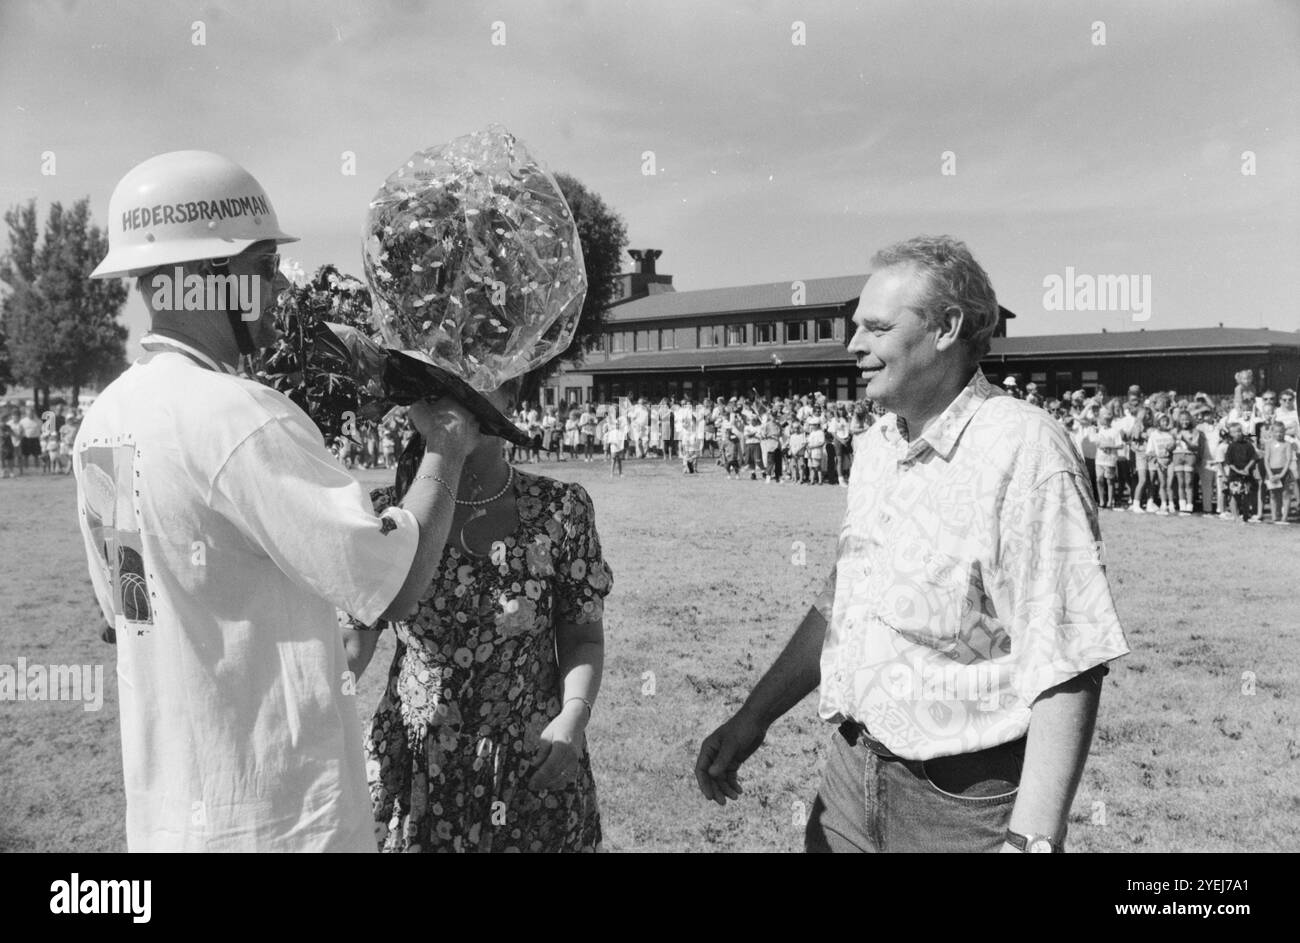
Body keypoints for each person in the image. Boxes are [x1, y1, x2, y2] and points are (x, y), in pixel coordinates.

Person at [76, 150, 482, 852]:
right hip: (281, 822)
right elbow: (391, 584)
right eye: (262, 267)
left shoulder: (103, 424)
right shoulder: (241, 417)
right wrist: (445, 448)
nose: (277, 288)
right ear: (205, 279)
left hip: (171, 822)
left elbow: (129, 610)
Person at [695, 235, 1128, 853]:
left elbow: (1069, 658)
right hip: (848, 779)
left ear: (947, 328)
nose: (853, 345)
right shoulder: (876, 446)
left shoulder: (1025, 450)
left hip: (962, 808)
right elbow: (847, 596)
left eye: (876, 327)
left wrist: (1032, 841)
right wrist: (753, 717)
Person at [343, 379, 611, 852]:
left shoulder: (560, 510)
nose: (457, 402)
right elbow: (350, 647)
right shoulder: (387, 515)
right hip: (414, 762)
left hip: (530, 764)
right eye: (437, 388)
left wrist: (574, 716)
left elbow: (582, 636)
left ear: (514, 398)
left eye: (479, 385)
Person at [1222, 422, 1257, 522]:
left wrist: (1246, 468)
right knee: (1234, 495)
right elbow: (1229, 462)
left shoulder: (1248, 445)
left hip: (1247, 475)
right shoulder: (1231, 446)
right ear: (1231, 434)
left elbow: (1254, 457)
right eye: (1234, 432)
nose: (1237, 434)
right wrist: (1238, 471)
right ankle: (1235, 516)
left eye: (1238, 431)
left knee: (1246, 496)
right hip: (1234, 475)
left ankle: (1245, 516)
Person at [1146, 413, 1176, 515]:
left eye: (1166, 421)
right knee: (1162, 483)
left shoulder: (1170, 434)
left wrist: (1172, 446)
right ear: (1158, 422)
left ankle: (1171, 503)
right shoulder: (1153, 435)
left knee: (1170, 483)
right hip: (1159, 460)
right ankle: (1164, 503)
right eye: (1163, 421)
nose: (1165, 423)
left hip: (1170, 460)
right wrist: (1157, 460)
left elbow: (1174, 447)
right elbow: (1149, 451)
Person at [1171, 409, 1200, 515]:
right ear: (1179, 420)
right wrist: (1172, 443)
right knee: (1180, 482)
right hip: (1177, 455)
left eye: (1187, 420)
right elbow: (1171, 445)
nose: (1185, 422)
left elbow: (1195, 446)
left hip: (1189, 456)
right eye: (1182, 420)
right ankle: (1182, 505)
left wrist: (1185, 440)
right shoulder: (1174, 431)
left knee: (1189, 482)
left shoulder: (1195, 431)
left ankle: (1189, 505)